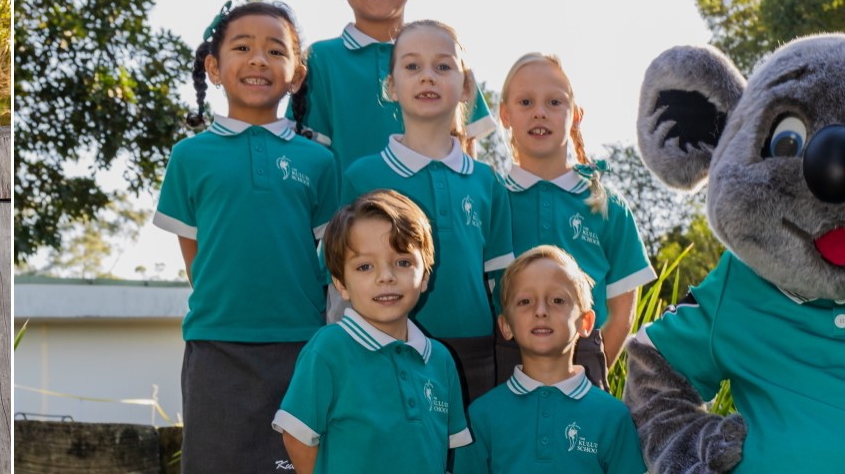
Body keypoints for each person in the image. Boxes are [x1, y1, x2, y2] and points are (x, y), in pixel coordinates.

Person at [152, 0, 340, 472]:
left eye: (275, 51)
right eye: (242, 47)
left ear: (295, 75)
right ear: (214, 67)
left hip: (301, 344)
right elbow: (196, 258)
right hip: (217, 346)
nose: (258, 59)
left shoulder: (319, 161)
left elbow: (331, 257)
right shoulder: (189, 157)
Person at [337, 19, 514, 404]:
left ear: (466, 87)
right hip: (385, 345)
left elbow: (502, 280)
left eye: (443, 66)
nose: (427, 77)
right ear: (391, 86)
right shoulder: (362, 175)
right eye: (412, 66)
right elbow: (342, 277)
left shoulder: (486, 182)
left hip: (475, 351)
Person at [275, 189, 467, 474]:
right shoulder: (328, 349)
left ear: (425, 276)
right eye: (365, 266)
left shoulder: (441, 360)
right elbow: (297, 437)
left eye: (403, 262)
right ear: (340, 283)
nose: (385, 277)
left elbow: (444, 449)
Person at [492, 54, 656, 385]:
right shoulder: (490, 200)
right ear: (505, 114)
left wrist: (589, 367)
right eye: (526, 102)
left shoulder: (607, 207)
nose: (540, 111)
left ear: (576, 115)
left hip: (583, 363)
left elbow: (623, 311)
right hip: (504, 362)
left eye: (554, 101)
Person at [298, 0, 494, 161]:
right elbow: (308, 156)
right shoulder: (321, 60)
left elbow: (466, 151)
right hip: (348, 203)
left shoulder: (445, 52)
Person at [458, 246, 646, 473]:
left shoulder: (613, 416)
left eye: (557, 300)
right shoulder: (482, 416)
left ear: (585, 322)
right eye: (525, 301)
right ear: (506, 326)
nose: (540, 311)